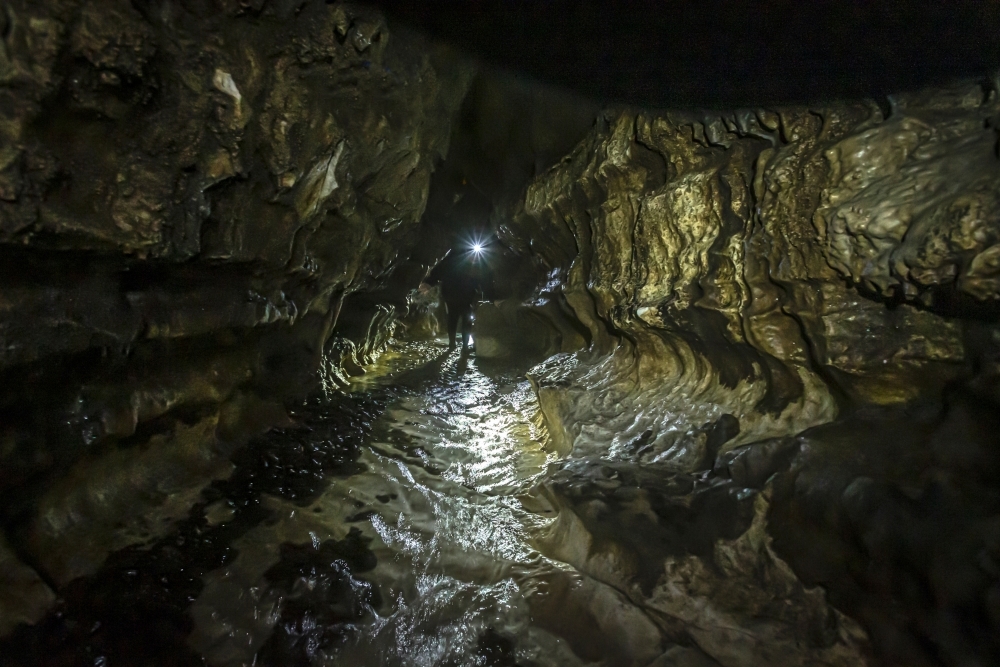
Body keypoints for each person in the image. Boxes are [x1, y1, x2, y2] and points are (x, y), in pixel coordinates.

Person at [426, 242, 490, 353]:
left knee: (454, 317)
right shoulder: (468, 261)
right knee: (463, 318)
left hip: (455, 294)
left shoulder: (452, 260)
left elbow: (438, 272)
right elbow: (482, 277)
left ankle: (455, 344)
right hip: (461, 295)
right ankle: (462, 345)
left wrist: (429, 282)